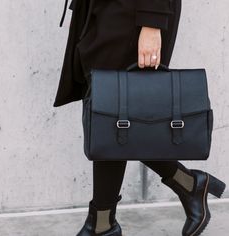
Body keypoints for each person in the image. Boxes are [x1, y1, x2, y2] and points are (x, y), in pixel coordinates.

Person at [53, 0, 226, 235]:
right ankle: (188, 185)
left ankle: (101, 225)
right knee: (109, 114)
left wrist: (152, 21)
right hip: (103, 11)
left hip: (134, 14)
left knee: (113, 113)